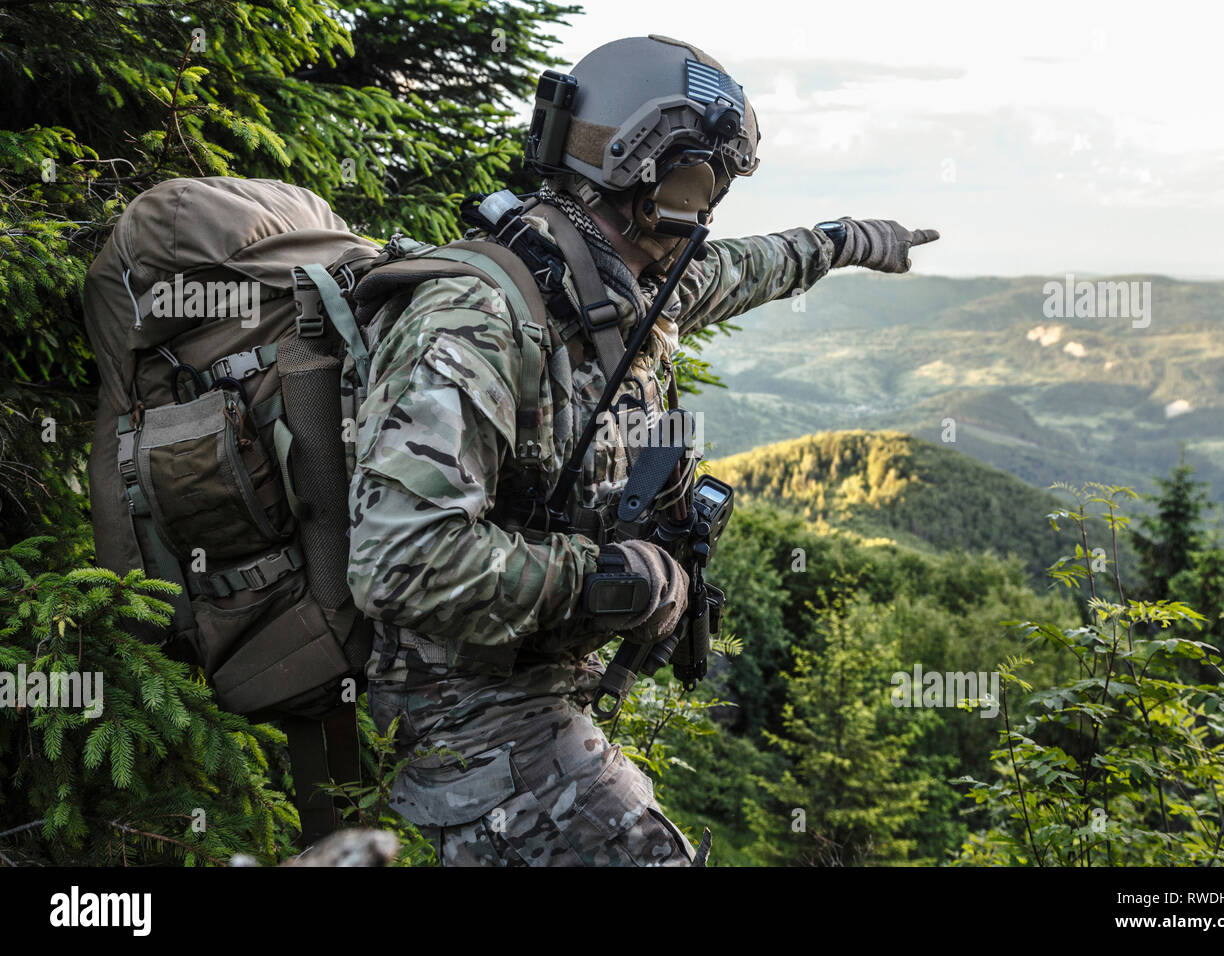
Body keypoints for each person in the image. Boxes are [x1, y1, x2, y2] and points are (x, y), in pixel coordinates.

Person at [346, 34, 938, 866]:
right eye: (702, 185)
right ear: (639, 169)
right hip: (460, 703)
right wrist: (614, 579)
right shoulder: (475, 319)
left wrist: (850, 241)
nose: (708, 214)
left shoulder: (617, 289)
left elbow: (750, 266)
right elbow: (401, 560)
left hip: (539, 679)